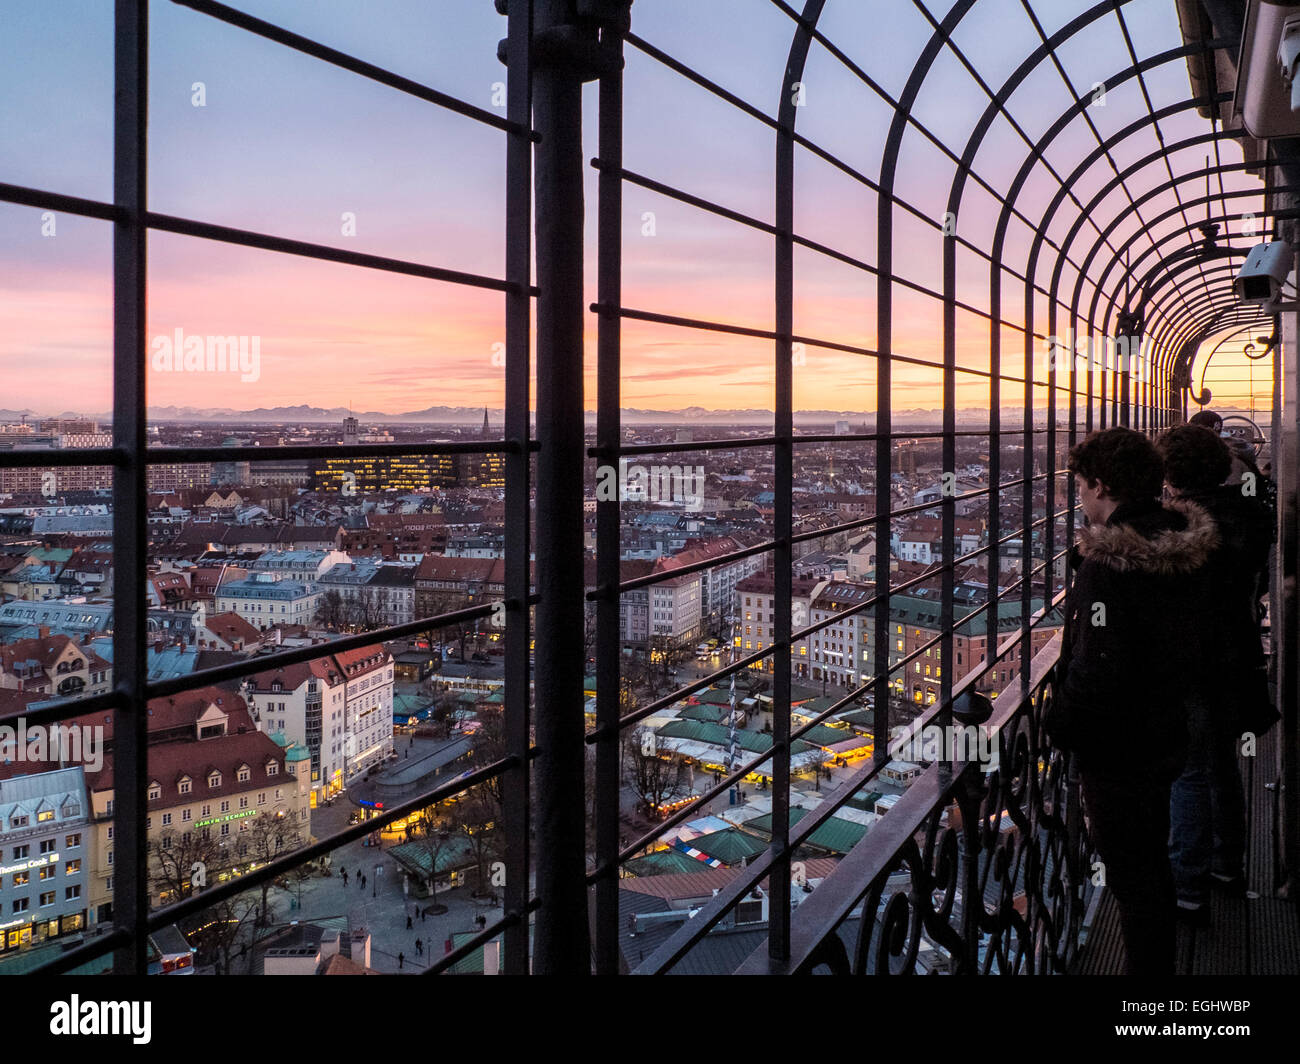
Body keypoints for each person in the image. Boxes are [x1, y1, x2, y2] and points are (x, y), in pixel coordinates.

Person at [1045, 426, 1217, 974]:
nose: (1080, 497)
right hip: (1167, 726)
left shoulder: (1111, 565)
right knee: (1150, 867)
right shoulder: (1185, 544)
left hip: (1118, 745)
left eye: (1081, 486)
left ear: (1100, 484)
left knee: (1132, 875)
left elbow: (1098, 665)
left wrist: (1061, 721)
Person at [1159, 425, 1272, 922]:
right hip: (1238, 655)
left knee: (1189, 773)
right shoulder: (1250, 514)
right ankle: (1228, 866)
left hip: (1194, 664)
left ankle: (1187, 887)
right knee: (1222, 765)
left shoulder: (1182, 529)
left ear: (1170, 474)